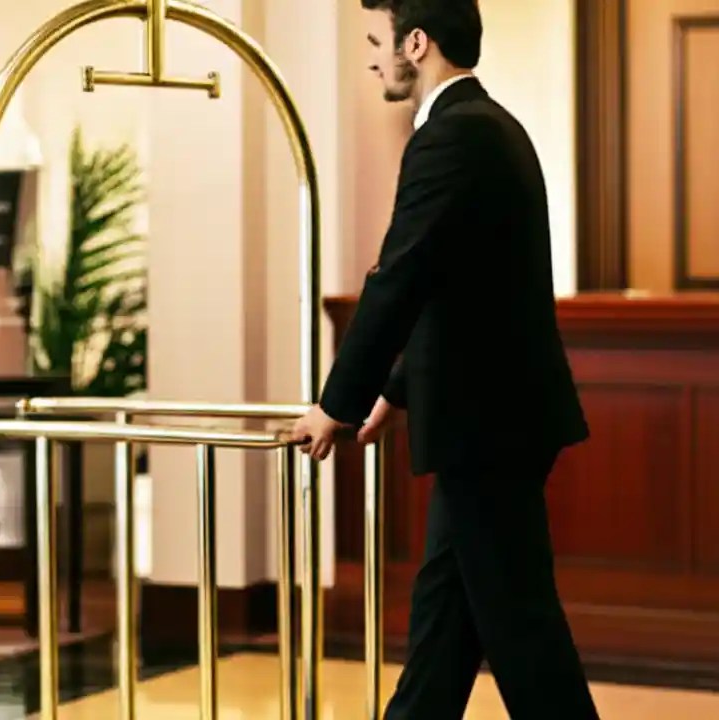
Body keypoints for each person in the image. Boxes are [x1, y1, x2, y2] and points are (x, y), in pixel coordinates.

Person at [288, 1, 600, 717]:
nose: (371, 58)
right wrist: (393, 392)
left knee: (523, 634)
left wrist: (334, 404)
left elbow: (399, 277)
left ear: (417, 43)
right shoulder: (485, 129)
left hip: (488, 430)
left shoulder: (454, 137)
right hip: (490, 424)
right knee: (443, 630)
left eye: (377, 41)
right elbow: (456, 294)